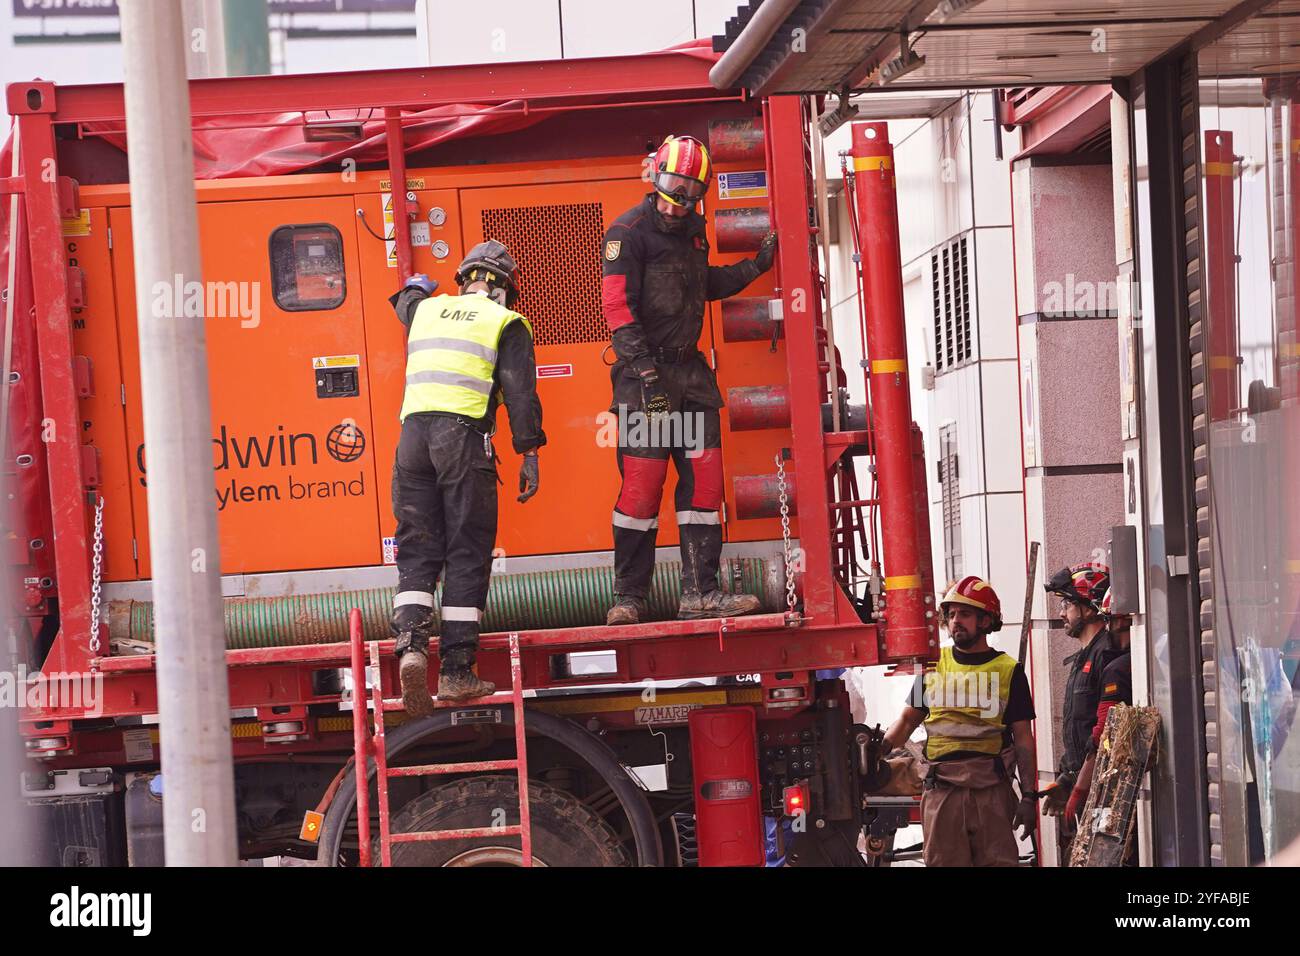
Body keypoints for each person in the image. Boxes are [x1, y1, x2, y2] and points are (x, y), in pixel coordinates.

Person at [601, 133, 777, 625]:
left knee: (704, 487)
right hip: (643, 380)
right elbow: (617, 307)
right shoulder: (626, 233)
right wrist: (646, 373)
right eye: (674, 191)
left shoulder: (693, 232)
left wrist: (754, 267)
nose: (680, 205)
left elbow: (703, 285)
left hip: (692, 378)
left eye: (691, 195)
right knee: (642, 489)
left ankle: (701, 592)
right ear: (654, 178)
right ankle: (628, 599)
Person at [387, 241, 544, 711]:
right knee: (467, 549)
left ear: (465, 280)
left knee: (417, 544)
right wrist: (529, 452)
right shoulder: (505, 322)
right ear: (503, 291)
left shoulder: (429, 310)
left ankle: (412, 646)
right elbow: (519, 394)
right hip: (461, 439)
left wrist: (414, 285)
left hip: (412, 439)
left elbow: (405, 303)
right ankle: (456, 670)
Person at [882, 576, 1038, 866]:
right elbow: (906, 722)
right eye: (951, 614)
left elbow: (1024, 740)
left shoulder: (1009, 671)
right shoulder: (933, 664)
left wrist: (1029, 796)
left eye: (964, 614)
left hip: (991, 791)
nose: (955, 621)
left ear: (985, 620)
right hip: (942, 791)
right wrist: (879, 751)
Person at [1041, 563, 1118, 824]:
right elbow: (1079, 725)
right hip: (1083, 784)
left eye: (1067, 605)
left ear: (1089, 607)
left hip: (1104, 790)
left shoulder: (1106, 654)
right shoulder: (1083, 657)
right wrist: (1066, 778)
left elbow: (1103, 731)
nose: (1062, 613)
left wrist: (1081, 788)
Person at [1065, 587, 1133, 824]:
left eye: (1108, 620)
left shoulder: (1116, 668)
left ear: (1121, 620)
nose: (1106, 628)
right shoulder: (1134, 660)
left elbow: (1103, 732)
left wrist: (1080, 790)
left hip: (1110, 785)